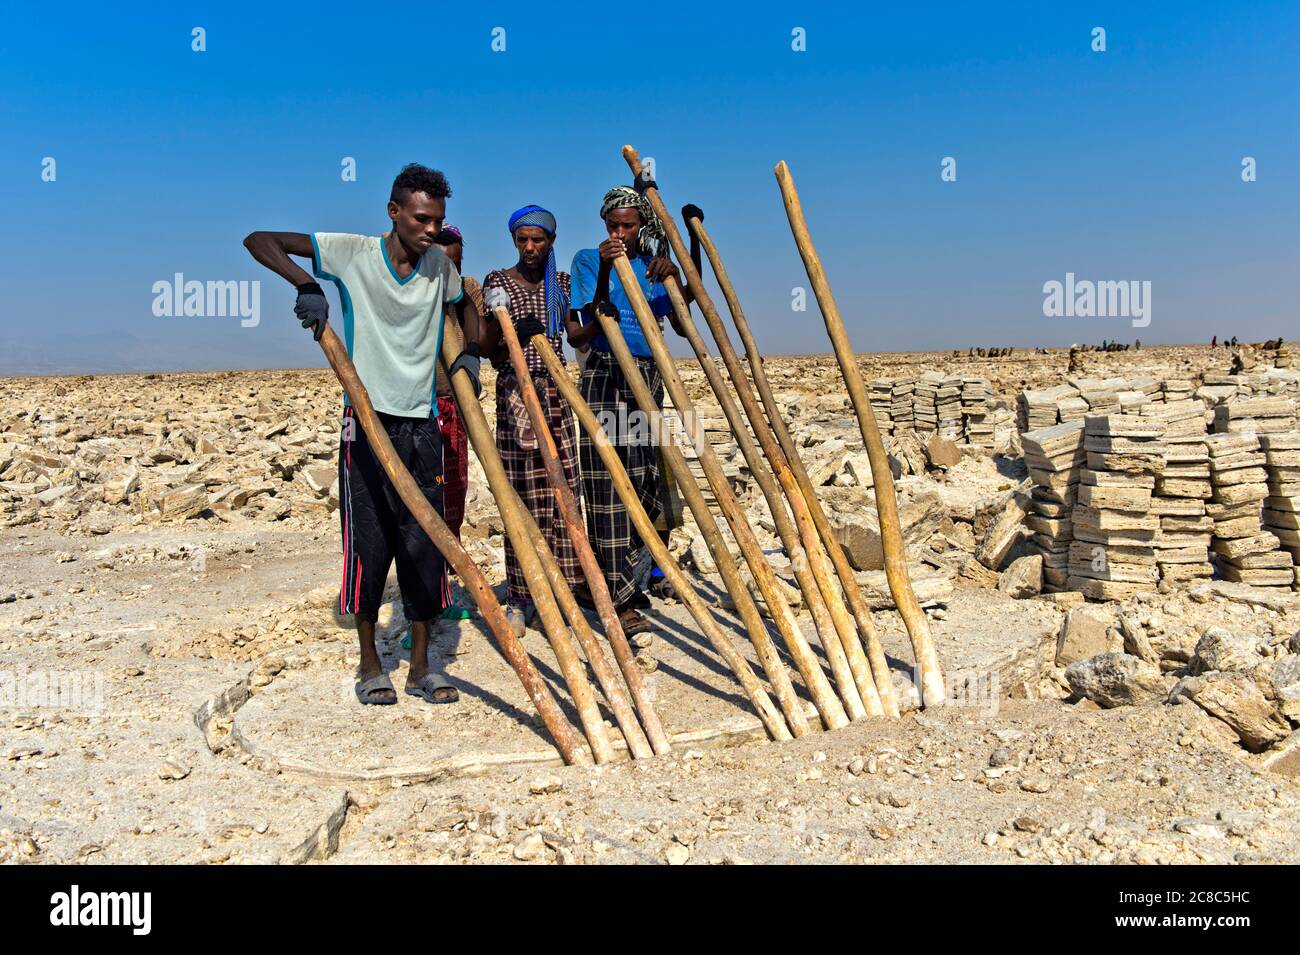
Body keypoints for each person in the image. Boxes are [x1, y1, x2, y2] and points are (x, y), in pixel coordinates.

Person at [242, 163, 480, 706]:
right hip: (367, 423)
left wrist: (467, 349)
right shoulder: (352, 253)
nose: (431, 230)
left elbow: (465, 303)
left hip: (423, 426)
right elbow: (259, 239)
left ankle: (422, 666)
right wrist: (306, 283)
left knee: (425, 543)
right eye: (421, 218)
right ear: (394, 213)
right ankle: (370, 662)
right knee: (369, 544)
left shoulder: (439, 265)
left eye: (439, 221)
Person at [567, 186, 689, 636]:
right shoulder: (587, 259)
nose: (620, 233)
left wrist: (674, 271)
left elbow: (680, 315)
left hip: (646, 375)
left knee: (641, 477)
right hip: (604, 372)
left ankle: (630, 576)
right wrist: (604, 267)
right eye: (613, 226)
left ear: (641, 228)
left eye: (628, 226)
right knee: (605, 479)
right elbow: (586, 322)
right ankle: (614, 597)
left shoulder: (651, 267)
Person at [479, 206, 584, 638]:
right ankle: (524, 593)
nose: (530, 248)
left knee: (563, 490)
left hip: (555, 391)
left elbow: (575, 336)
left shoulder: (561, 284)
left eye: (537, 240)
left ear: (550, 242)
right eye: (522, 240)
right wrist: (513, 336)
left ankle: (566, 587)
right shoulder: (498, 282)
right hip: (516, 395)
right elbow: (489, 347)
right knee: (523, 492)